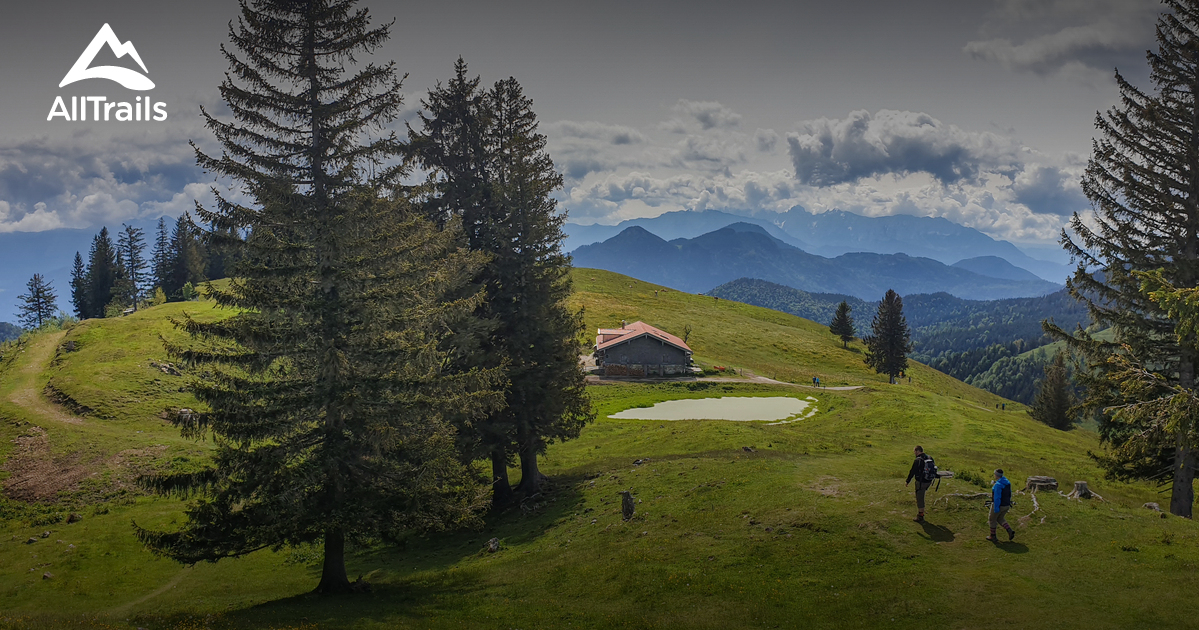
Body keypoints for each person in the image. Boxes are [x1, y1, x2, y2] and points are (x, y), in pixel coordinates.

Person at [905, 446, 934, 522]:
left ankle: (920, 516)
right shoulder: (929, 458)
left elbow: (912, 471)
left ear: (917, 451)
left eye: (914, 451)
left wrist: (908, 481)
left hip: (921, 482)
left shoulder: (918, 460)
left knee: (920, 498)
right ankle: (921, 514)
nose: (914, 453)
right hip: (929, 481)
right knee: (922, 494)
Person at [988, 468, 1015, 542]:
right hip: (1006, 505)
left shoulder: (998, 485)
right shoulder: (1007, 483)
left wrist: (996, 508)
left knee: (992, 519)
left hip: (999, 505)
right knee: (1000, 518)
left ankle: (992, 536)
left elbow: (997, 498)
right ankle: (1009, 530)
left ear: (996, 475)